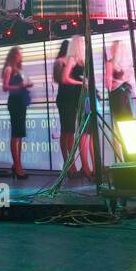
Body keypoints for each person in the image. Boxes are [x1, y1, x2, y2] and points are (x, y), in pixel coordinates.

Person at [54, 39, 93, 178]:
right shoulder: (60, 61)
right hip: (64, 98)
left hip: (73, 98)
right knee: (66, 130)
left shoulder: (75, 60)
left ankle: (72, 165)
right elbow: (60, 79)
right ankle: (68, 164)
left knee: (71, 131)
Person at [0, 46, 33, 179]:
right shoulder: (9, 68)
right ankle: (17, 165)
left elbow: (23, 83)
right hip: (14, 102)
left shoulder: (19, 70)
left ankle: (18, 164)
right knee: (16, 134)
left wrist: (26, 84)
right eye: (19, 54)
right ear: (14, 55)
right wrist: (20, 86)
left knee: (19, 134)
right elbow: (5, 87)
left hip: (21, 102)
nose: (21, 56)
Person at [104, 42, 135, 163]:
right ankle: (121, 160)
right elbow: (109, 85)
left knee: (129, 128)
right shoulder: (110, 63)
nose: (120, 51)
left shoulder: (123, 64)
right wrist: (123, 79)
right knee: (120, 129)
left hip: (126, 98)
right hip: (117, 99)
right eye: (118, 49)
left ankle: (130, 158)